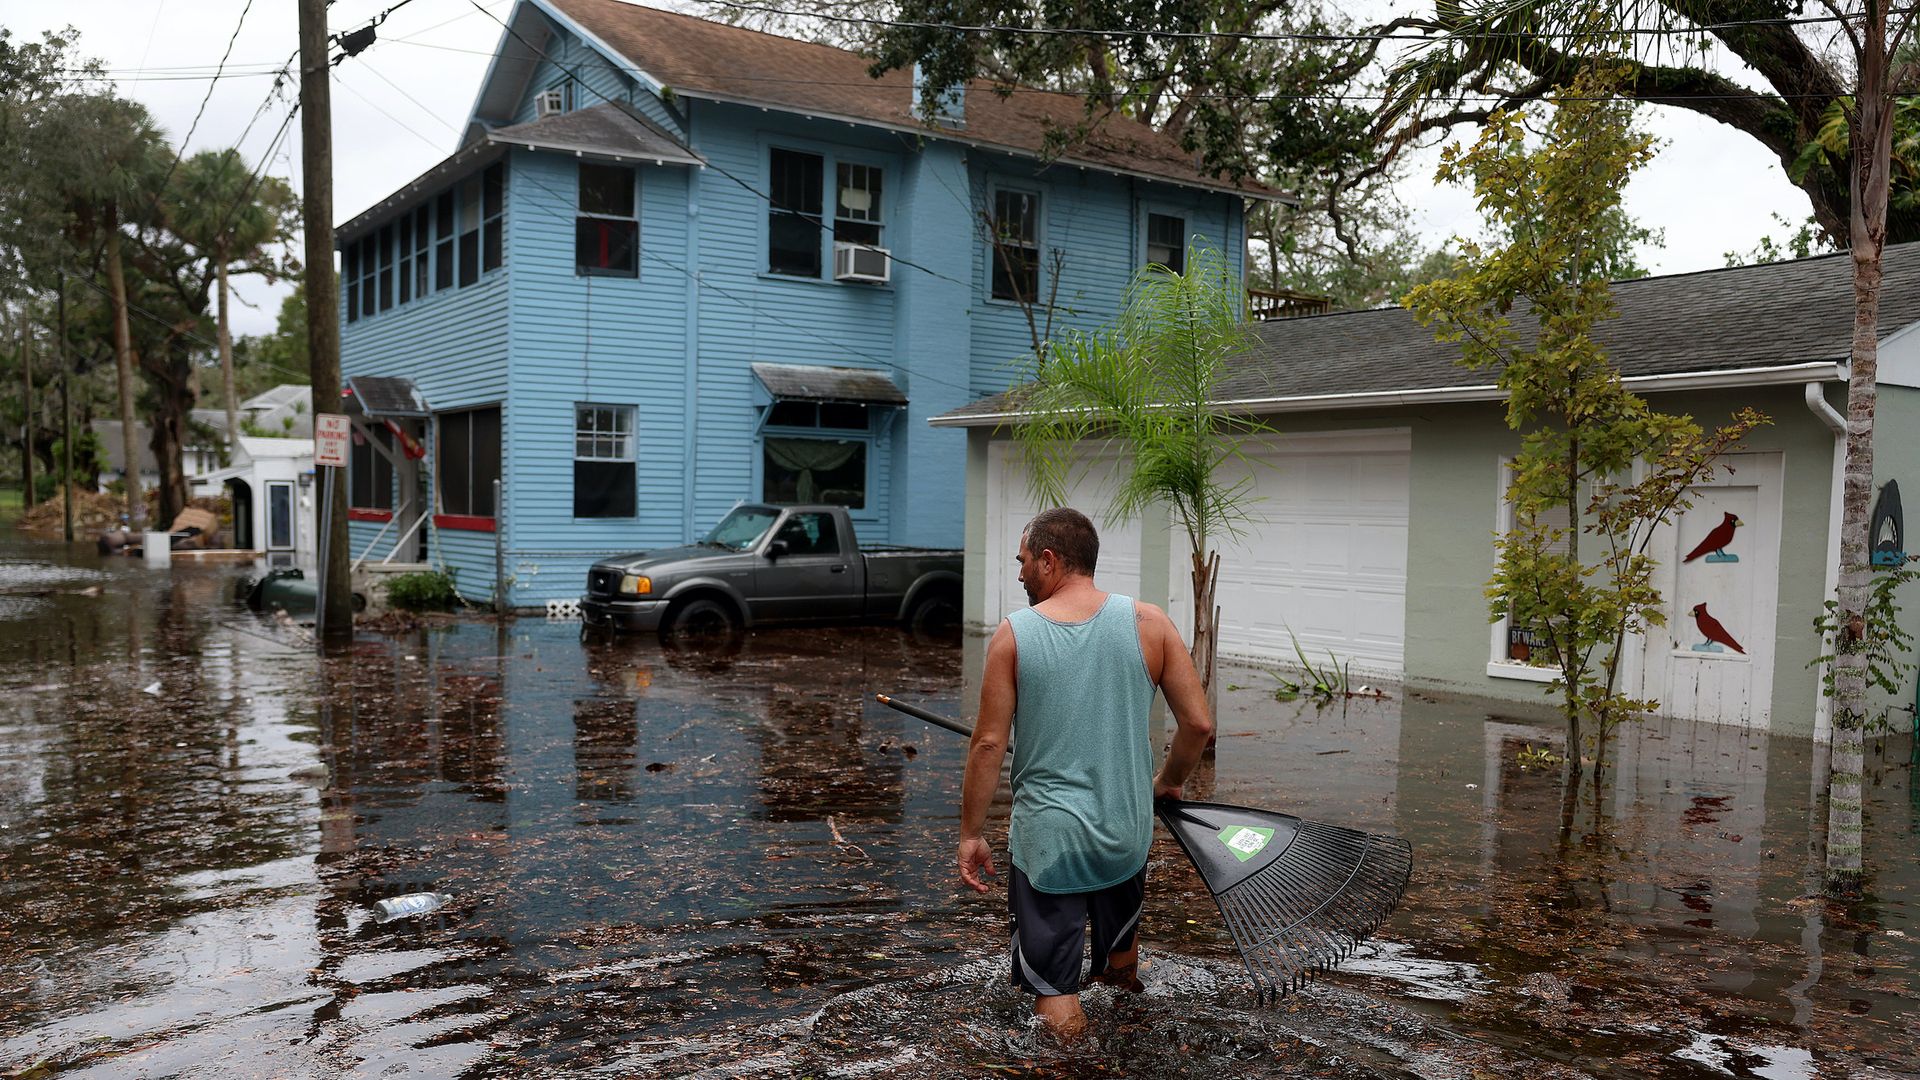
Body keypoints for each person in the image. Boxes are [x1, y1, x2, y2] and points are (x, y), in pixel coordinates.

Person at [957, 507, 1214, 1038]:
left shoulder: (1014, 636)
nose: (1021, 573)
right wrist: (1166, 782)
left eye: (1024, 562)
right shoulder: (1151, 624)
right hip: (1125, 834)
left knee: (1056, 991)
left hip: (1050, 843)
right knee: (1121, 971)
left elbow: (987, 744)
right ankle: (1126, 1049)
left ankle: (1077, 1061)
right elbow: (1198, 725)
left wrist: (971, 834)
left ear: (1049, 560)